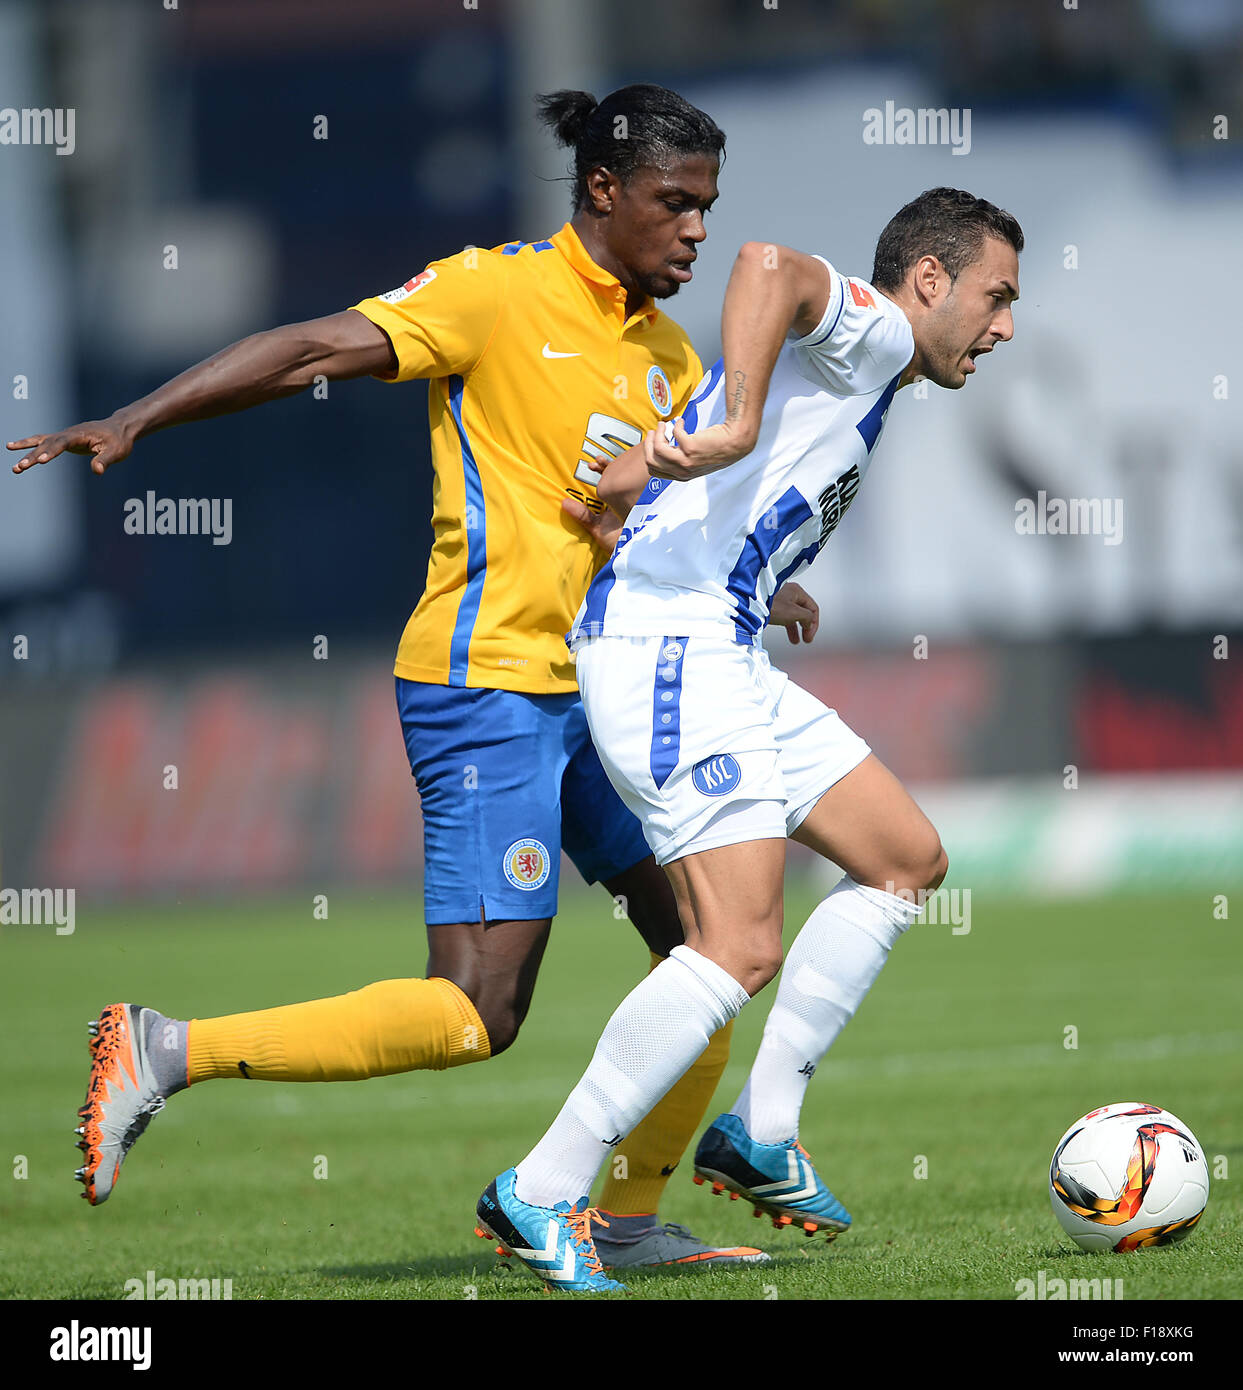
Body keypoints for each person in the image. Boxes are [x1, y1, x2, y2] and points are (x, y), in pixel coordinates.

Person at [9, 85, 811, 1270]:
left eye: (708, 208)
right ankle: (164, 1046)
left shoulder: (671, 353)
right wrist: (138, 419)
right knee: (478, 1012)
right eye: (674, 204)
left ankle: (626, 1219)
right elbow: (311, 348)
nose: (696, 231)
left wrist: (762, 583)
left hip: (599, 696)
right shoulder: (496, 291)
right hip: (486, 688)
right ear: (601, 191)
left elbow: (663, 528)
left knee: (711, 944)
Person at [476, 187, 1024, 1291]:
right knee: (737, 945)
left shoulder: (866, 373)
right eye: (995, 296)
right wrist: (721, 426)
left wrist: (759, 574)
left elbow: (719, 480)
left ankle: (762, 1128)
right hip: (668, 655)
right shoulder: (871, 326)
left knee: (904, 859)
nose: (1005, 326)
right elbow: (769, 262)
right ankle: (539, 1191)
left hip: (719, 643)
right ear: (929, 281)